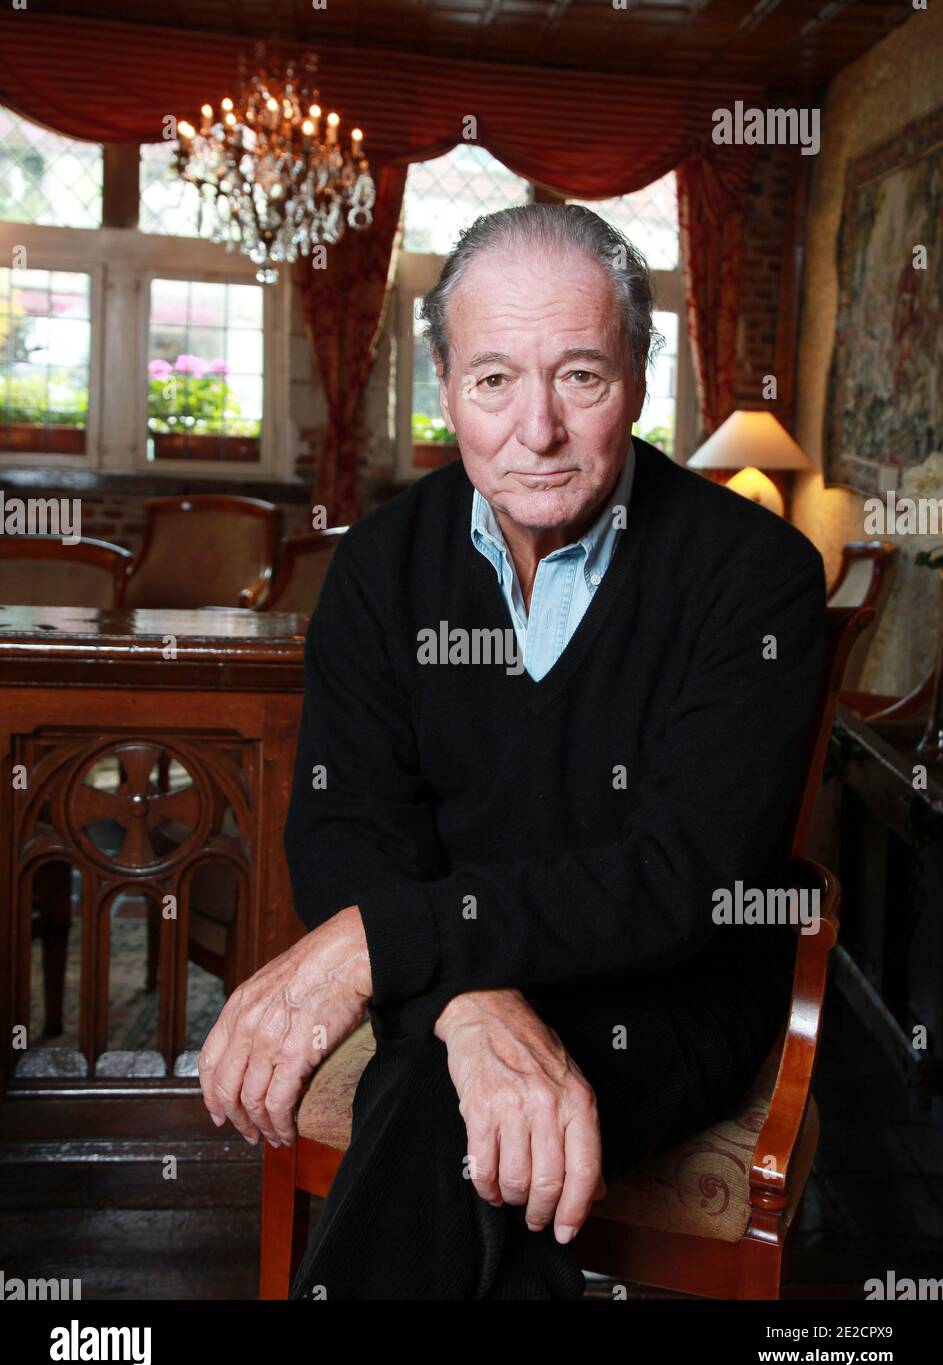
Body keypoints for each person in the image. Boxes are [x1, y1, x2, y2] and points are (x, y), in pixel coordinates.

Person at [199, 202, 827, 1300]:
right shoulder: (380, 567)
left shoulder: (753, 574)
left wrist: (397, 947)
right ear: (442, 383)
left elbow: (687, 878)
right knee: (472, 1111)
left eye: (578, 375)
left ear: (637, 375)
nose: (535, 429)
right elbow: (346, 831)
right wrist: (469, 999)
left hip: (669, 993)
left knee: (449, 1112)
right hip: (437, 989)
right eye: (493, 380)